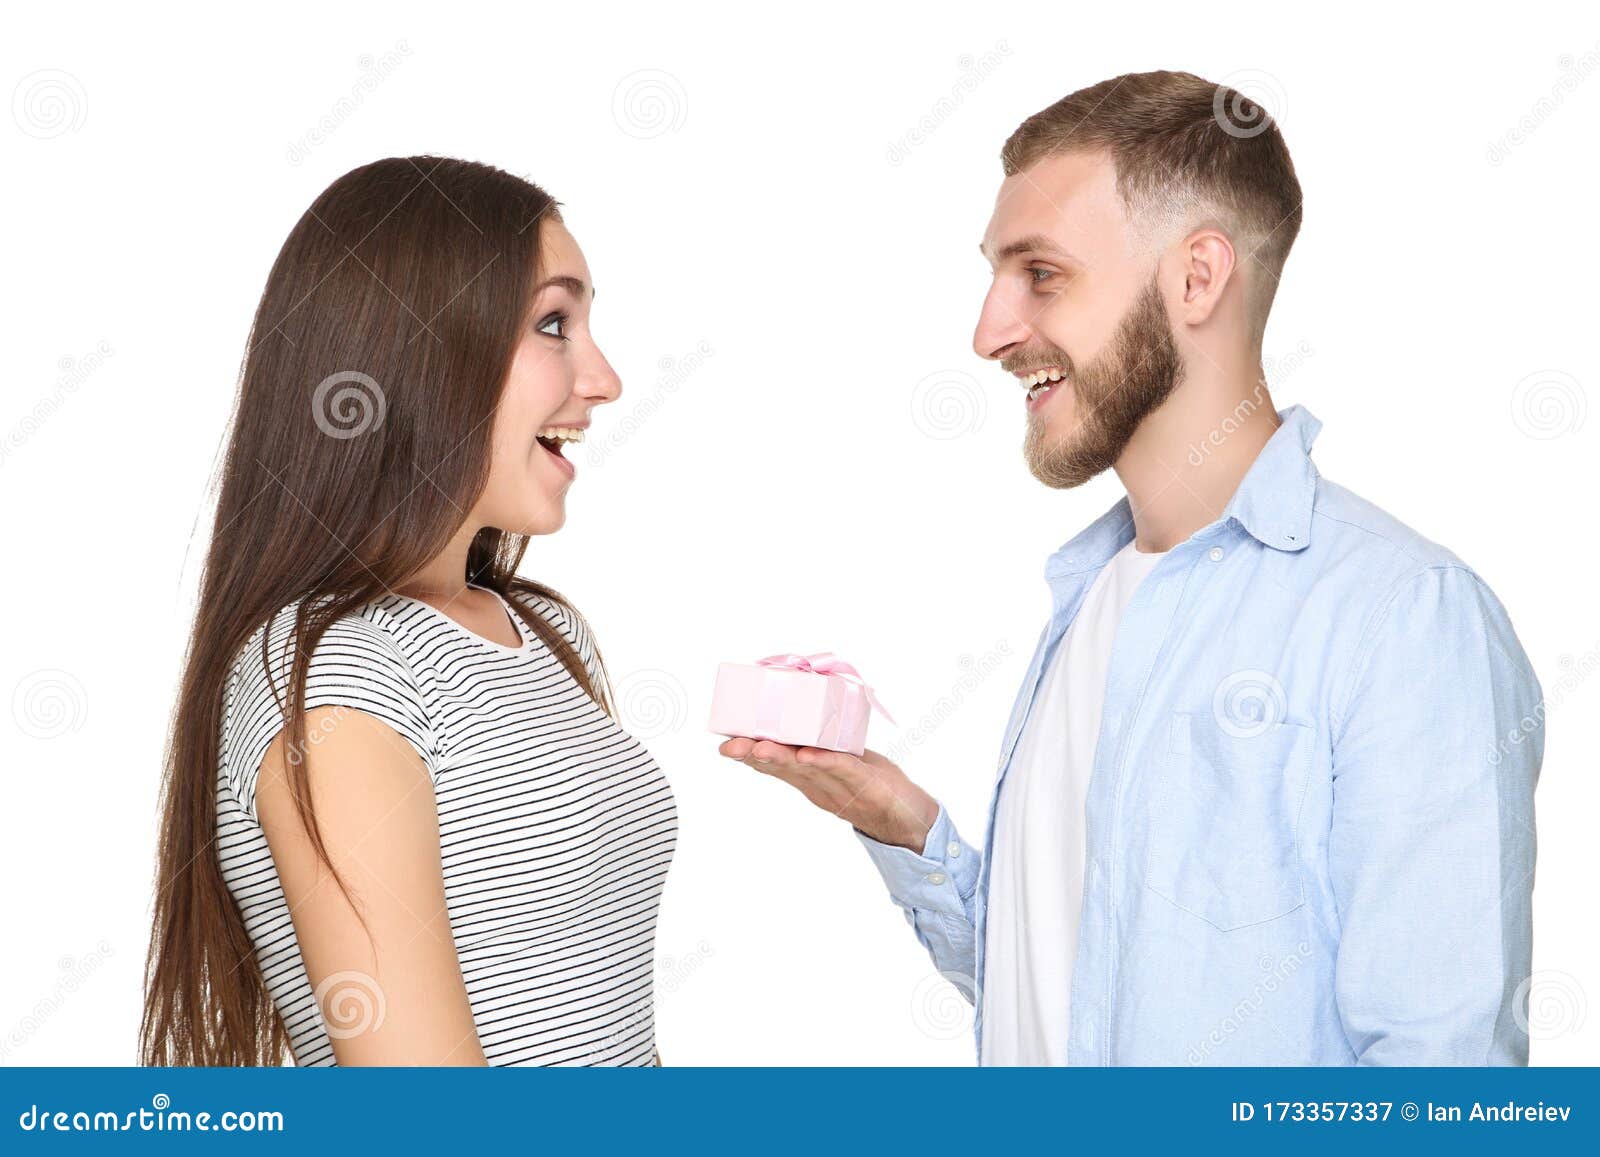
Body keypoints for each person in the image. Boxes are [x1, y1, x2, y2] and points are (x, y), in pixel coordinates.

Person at [720, 71, 1542, 1066]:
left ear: (1196, 279)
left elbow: (1437, 1084)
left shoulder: (1400, 616)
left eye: (1041, 274)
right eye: (995, 275)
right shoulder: (1091, 596)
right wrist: (904, 827)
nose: (989, 332)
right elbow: (1083, 995)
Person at [143, 157, 676, 1066]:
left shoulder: (540, 631)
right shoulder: (334, 669)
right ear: (421, 352)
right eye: (555, 324)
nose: (605, 379)